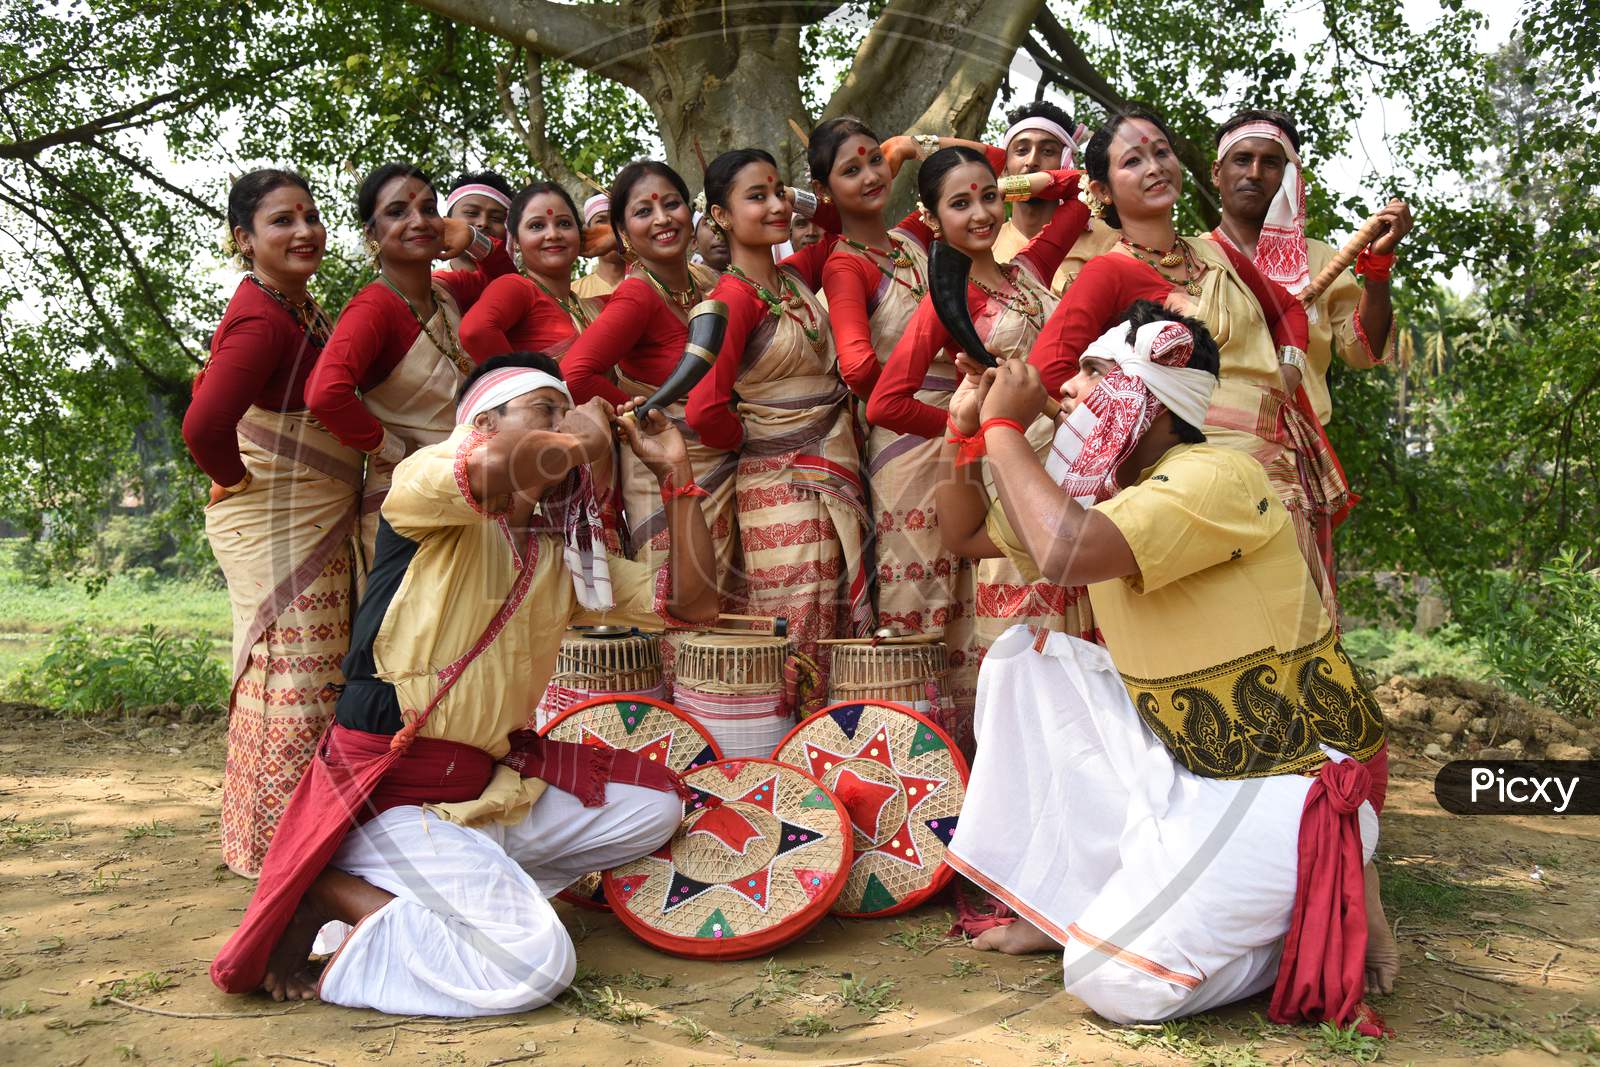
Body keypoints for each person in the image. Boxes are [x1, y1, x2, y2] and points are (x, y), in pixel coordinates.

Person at [209, 352, 721, 1014]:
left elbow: (694, 603)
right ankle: (333, 890)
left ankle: (450, 883)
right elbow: (489, 471)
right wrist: (582, 436)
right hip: (392, 802)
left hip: (482, 794)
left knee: (655, 807)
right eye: (545, 410)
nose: (563, 423)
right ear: (483, 424)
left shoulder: (559, 556)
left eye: (566, 413)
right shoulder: (424, 481)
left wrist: (676, 473)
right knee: (539, 965)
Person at [936, 300, 1394, 1029]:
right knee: (1023, 662)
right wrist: (964, 432)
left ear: (1148, 394)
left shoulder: (1219, 474)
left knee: (1109, 978)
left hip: (1290, 791)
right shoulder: (1111, 499)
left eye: (1093, 372)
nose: (1069, 388)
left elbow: (1065, 552)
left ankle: (1312, 915)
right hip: (1196, 773)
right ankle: (1071, 906)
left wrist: (1003, 429)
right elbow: (961, 534)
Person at [1028, 107, 1344, 622]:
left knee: (1296, 620)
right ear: (1102, 190)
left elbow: (1286, 308)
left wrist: (1288, 368)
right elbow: (1046, 371)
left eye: (1161, 152)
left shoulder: (1215, 253)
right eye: (1133, 161)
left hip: (1277, 469)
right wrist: (1114, 424)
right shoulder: (1109, 272)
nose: (1155, 167)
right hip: (1191, 482)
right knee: (1228, 624)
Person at [866, 145, 1091, 730]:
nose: (982, 214)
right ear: (931, 218)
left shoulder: (1029, 270)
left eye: (990, 197)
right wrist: (971, 425)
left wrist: (1012, 181)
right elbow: (886, 402)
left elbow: (1076, 195)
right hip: (1010, 465)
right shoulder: (947, 299)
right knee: (1026, 616)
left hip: (1074, 461)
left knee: (1081, 607)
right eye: (960, 204)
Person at [183, 169, 362, 879]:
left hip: (305, 519)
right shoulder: (262, 319)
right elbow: (204, 426)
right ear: (244, 239)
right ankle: (274, 856)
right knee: (292, 678)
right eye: (282, 220)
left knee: (306, 678)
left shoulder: (293, 305)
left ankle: (292, 846)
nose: (304, 231)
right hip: (281, 522)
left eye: (311, 216)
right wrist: (236, 479)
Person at [685, 148, 874, 710]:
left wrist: (800, 199)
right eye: (757, 197)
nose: (775, 207)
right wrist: (759, 441)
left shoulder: (791, 278)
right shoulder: (730, 299)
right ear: (720, 216)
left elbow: (843, 229)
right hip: (778, 485)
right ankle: (792, 743)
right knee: (796, 625)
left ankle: (833, 737)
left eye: (778, 193)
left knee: (833, 616)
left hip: (831, 466)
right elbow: (704, 410)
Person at [1208, 109, 1410, 578]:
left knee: (1295, 601)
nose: (1254, 172)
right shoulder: (1185, 257)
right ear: (1216, 172)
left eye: (1270, 162)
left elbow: (1363, 352)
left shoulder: (1319, 260)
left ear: (1288, 176)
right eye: (1242, 159)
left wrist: (1377, 270)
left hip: (1297, 463)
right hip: (1206, 457)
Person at [306, 162, 512, 570]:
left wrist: (473, 238)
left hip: (468, 489)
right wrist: (394, 448)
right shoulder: (373, 308)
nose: (419, 221)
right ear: (372, 234)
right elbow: (324, 394)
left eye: (429, 210)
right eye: (398, 212)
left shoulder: (448, 292)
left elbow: (511, 286)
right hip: (407, 499)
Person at [562, 161, 736, 577]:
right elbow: (575, 374)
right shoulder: (637, 296)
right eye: (644, 211)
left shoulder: (704, 280)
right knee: (681, 596)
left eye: (671, 204)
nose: (662, 219)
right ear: (623, 234)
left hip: (725, 460)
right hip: (665, 468)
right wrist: (645, 412)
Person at [460, 181, 603, 362]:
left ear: (579, 234)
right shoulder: (516, 288)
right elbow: (474, 332)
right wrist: (526, 378)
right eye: (537, 226)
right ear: (516, 241)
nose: (553, 234)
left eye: (564, 223)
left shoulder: (594, 306)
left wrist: (621, 243)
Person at [985, 100, 1118, 291]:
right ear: (1004, 168)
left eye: (1047, 151)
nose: (1031, 161)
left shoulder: (1109, 239)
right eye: (1021, 151)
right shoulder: (986, 243)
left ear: (1066, 163)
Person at [442, 171, 513, 272]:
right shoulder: (427, 281)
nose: (483, 223)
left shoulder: (523, 280)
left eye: (496, 218)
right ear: (446, 223)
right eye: (471, 213)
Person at [572, 193, 627, 300]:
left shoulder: (650, 278)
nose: (611, 229)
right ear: (587, 231)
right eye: (601, 221)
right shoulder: (574, 292)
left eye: (617, 221)